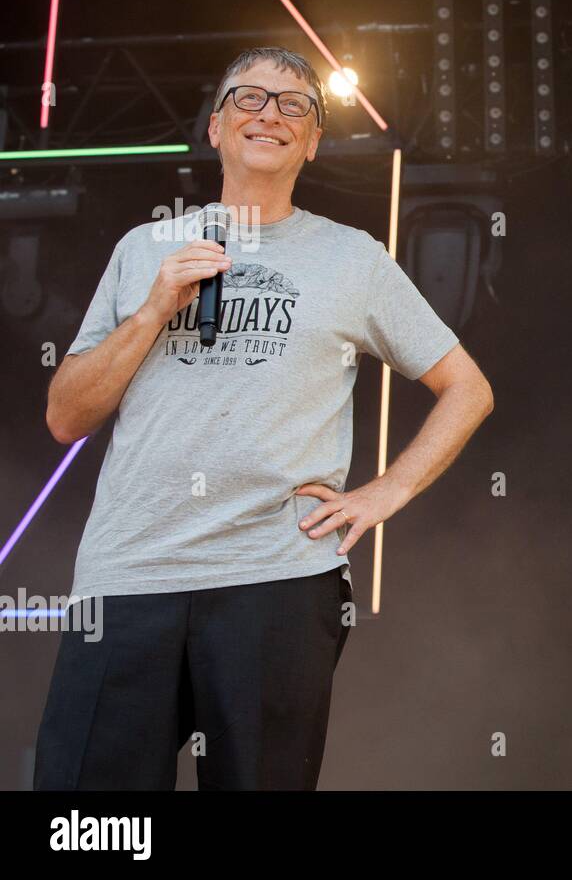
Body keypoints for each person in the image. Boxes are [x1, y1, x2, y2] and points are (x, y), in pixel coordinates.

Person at [36, 46, 493, 789]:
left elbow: (467, 388)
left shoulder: (353, 259)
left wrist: (386, 493)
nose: (269, 115)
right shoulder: (144, 249)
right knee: (91, 825)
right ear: (215, 127)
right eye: (248, 99)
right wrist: (154, 309)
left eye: (294, 106)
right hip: (130, 574)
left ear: (312, 142)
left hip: (275, 580)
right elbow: (66, 416)